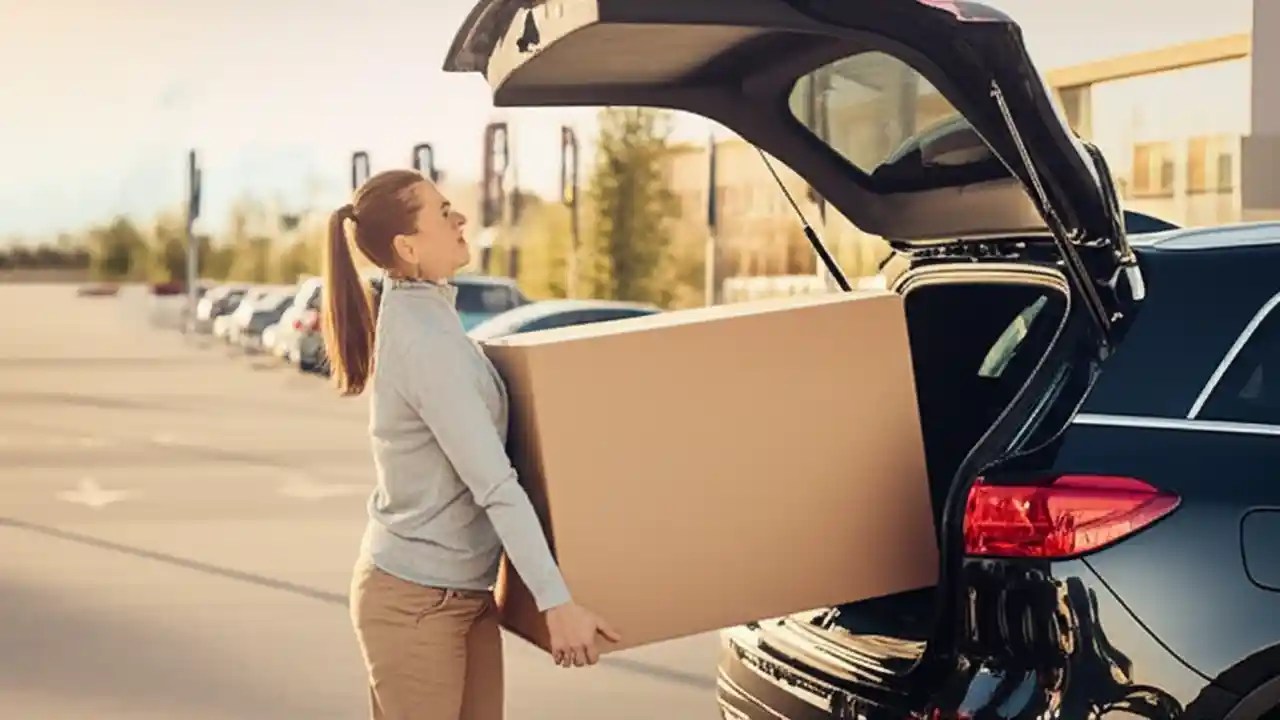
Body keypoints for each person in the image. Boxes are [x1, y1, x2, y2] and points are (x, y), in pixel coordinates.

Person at [324, 169, 619, 720]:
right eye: (442, 212)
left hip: (462, 595)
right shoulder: (424, 343)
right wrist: (556, 603)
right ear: (408, 246)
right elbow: (494, 483)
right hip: (416, 603)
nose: (459, 219)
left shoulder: (431, 318)